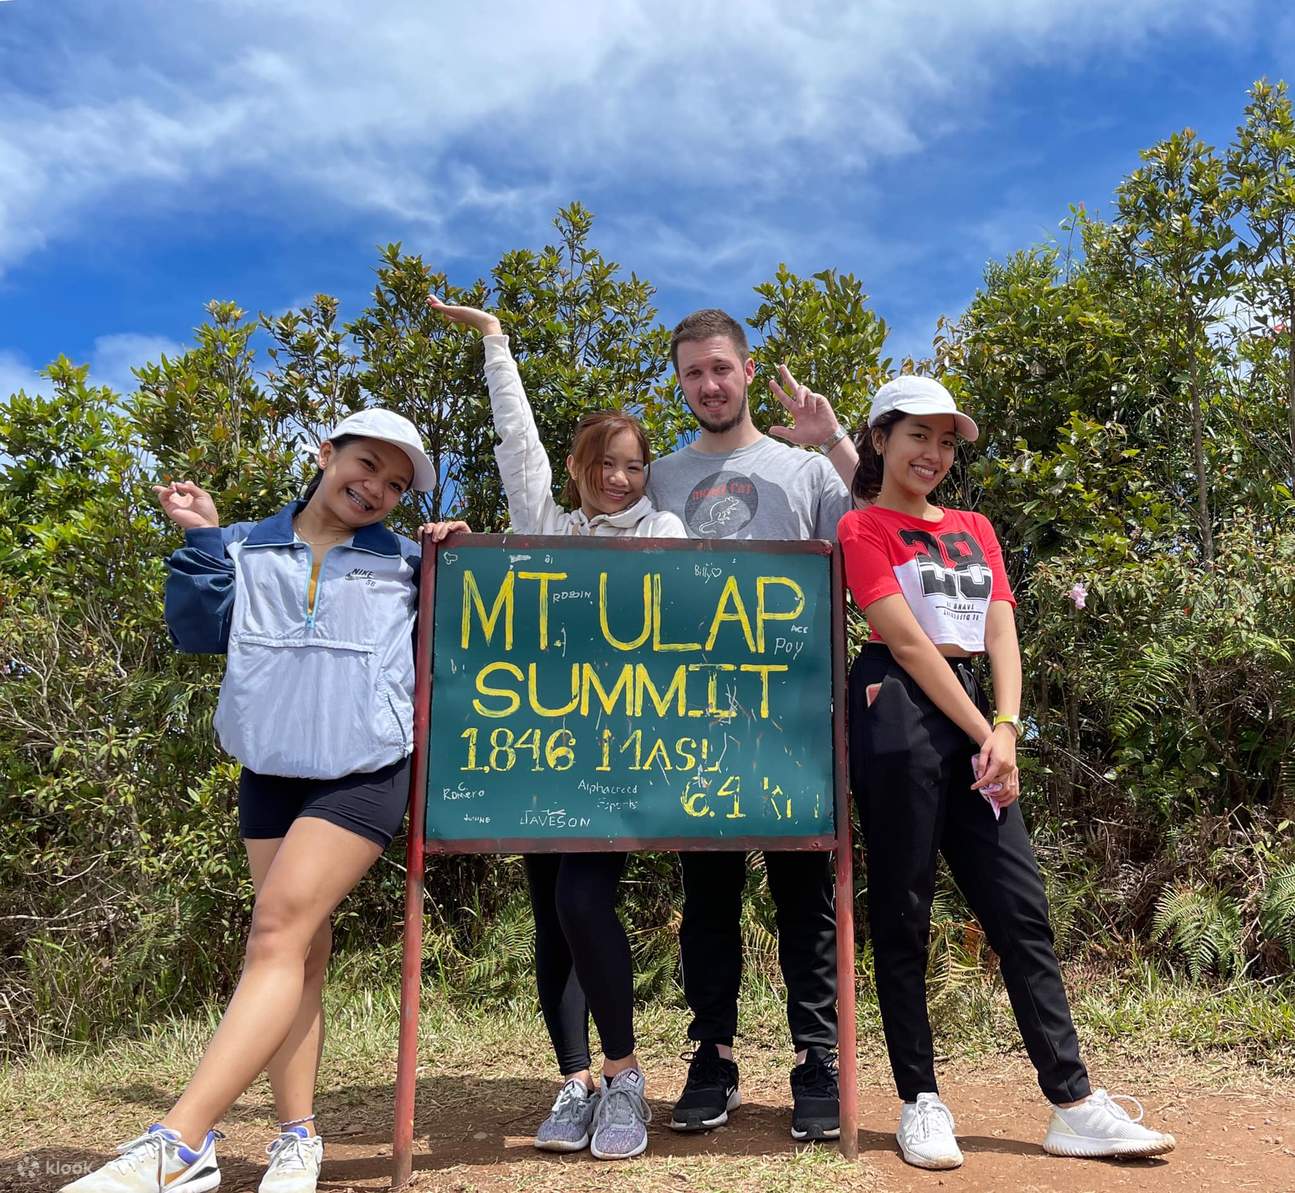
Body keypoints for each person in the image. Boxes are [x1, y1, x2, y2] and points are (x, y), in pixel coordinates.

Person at [62, 412, 436, 1193]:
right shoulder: (243, 545)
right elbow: (196, 633)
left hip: (363, 771)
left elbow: (465, 627)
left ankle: (181, 1141)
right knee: (299, 952)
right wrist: (201, 536)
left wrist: (455, 553)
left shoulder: (408, 563)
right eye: (365, 465)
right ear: (326, 454)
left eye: (397, 485)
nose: (376, 488)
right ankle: (298, 1138)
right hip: (268, 769)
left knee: (273, 934)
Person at [839, 375, 1177, 1169]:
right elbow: (911, 641)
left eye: (947, 440)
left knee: (1019, 908)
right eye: (918, 435)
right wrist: (981, 728)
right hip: (896, 706)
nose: (934, 453)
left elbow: (1000, 631)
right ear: (881, 438)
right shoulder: (862, 527)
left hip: (981, 720)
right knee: (903, 910)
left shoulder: (975, 527)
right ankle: (920, 1099)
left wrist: (1006, 727)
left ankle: (1072, 1102)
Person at [426, 294, 685, 1161]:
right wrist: (496, 344)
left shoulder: (664, 530)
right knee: (551, 915)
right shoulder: (546, 525)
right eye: (605, 464)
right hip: (538, 750)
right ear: (578, 467)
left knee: (583, 896)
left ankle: (624, 1078)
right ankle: (573, 1080)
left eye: (633, 465)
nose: (619, 478)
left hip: (618, 751)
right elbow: (516, 447)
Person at [643, 308, 858, 1142]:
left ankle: (816, 1060)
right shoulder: (657, 477)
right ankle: (713, 1056)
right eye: (693, 372)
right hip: (692, 721)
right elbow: (581, 538)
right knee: (708, 898)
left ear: (745, 367)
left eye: (721, 368)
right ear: (681, 381)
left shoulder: (802, 469)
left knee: (806, 894)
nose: (708, 383)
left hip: (798, 713)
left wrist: (835, 436)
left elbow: (878, 521)